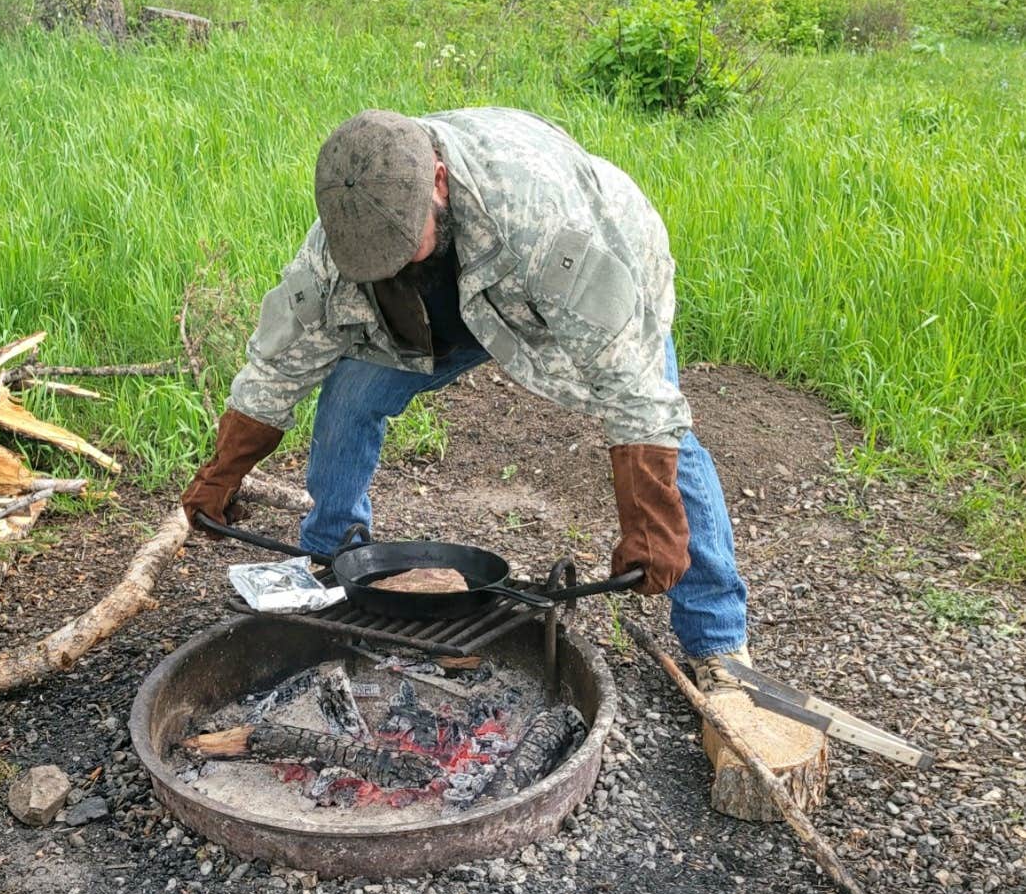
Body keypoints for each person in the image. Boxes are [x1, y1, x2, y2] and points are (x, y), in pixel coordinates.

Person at [181, 107, 749, 690]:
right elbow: (281, 357)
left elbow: (636, 393)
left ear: (439, 182)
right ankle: (333, 560)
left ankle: (719, 643)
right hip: (448, 307)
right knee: (351, 394)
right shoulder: (348, 230)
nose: (395, 261)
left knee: (667, 441)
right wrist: (225, 472)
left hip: (587, 281)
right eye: (381, 260)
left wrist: (649, 519)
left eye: (406, 244)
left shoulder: (544, 225)